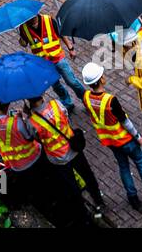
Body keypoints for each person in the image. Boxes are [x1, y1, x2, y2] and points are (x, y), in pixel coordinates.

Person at [80, 61, 142, 211]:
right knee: (141, 164)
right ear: (101, 79)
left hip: (110, 142)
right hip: (126, 140)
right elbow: (125, 122)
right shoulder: (110, 100)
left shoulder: (86, 97)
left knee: (124, 168)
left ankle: (133, 198)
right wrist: (138, 136)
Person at [0, 100, 88, 228]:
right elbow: (29, 136)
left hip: (16, 166)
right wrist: (21, 118)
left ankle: (50, 214)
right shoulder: (16, 122)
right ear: (7, 104)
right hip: (34, 159)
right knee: (48, 185)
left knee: (36, 192)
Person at [26, 91, 105, 219]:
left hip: (58, 158)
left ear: (29, 102)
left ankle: (84, 212)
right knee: (87, 174)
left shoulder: (32, 122)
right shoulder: (56, 104)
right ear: (41, 94)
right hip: (73, 148)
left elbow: (36, 138)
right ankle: (98, 199)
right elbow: (66, 119)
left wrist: (30, 115)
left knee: (72, 185)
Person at [18, 10, 86, 110]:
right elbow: (24, 44)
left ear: (36, 14)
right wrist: (21, 39)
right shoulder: (23, 27)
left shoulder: (49, 20)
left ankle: (85, 99)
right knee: (56, 86)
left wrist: (70, 48)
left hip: (58, 58)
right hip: (43, 64)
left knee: (71, 81)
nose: (30, 20)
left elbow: (61, 34)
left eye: (32, 17)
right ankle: (67, 102)